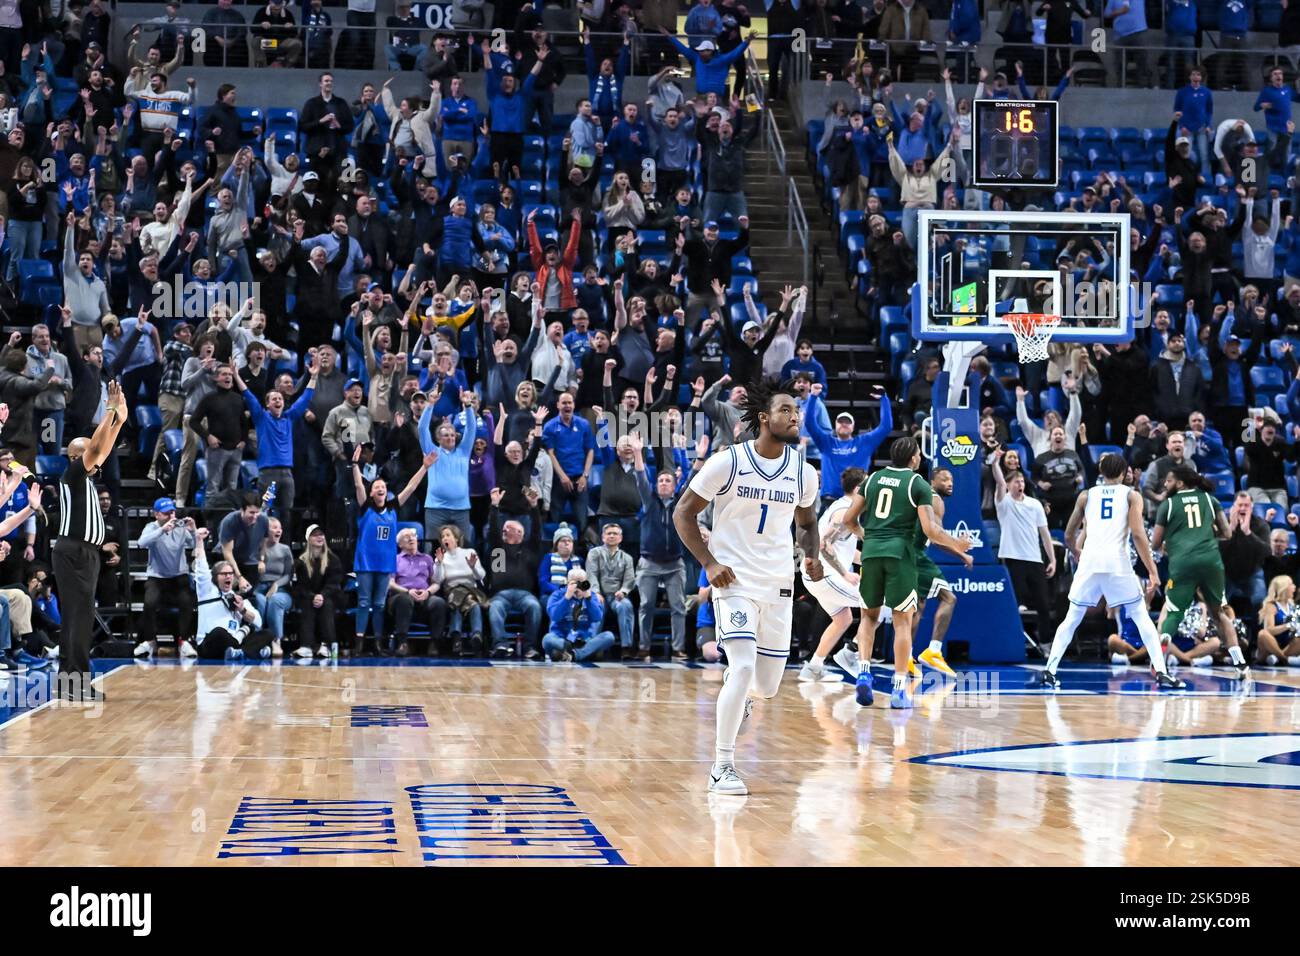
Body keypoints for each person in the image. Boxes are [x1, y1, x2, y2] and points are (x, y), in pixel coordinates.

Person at [673, 377, 824, 796]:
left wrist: (810, 556)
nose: (795, 417)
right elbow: (683, 513)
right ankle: (722, 766)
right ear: (763, 418)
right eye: (785, 411)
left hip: (778, 583)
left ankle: (744, 698)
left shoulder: (803, 472)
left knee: (767, 685)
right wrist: (709, 562)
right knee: (739, 667)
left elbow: (807, 522)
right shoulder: (729, 461)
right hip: (734, 580)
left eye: (797, 411)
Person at [835, 437, 973, 710]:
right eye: (919, 454)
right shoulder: (918, 484)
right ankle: (899, 689)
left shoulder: (872, 479)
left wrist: (870, 537)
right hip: (901, 555)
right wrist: (958, 544)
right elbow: (931, 530)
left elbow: (848, 520)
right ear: (913, 458)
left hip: (872, 553)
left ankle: (864, 671)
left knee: (869, 618)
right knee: (901, 622)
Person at [1040, 453, 1185, 690]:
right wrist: (1152, 570)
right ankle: (1161, 672)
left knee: (1072, 618)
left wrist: (1077, 553)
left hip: (1089, 562)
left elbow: (1068, 534)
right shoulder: (1131, 495)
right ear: (1123, 472)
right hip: (1116, 563)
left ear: (1100, 471)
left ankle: (1049, 671)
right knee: (1140, 616)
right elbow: (1138, 534)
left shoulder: (1086, 495)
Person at [53, 379, 128, 701]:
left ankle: (69, 681)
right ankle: (74, 684)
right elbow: (97, 448)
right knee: (78, 619)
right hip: (73, 553)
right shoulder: (72, 473)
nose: (96, 462)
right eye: (88, 456)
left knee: (79, 617)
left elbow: (102, 448)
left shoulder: (85, 476)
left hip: (86, 553)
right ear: (75, 456)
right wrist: (109, 411)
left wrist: (119, 421)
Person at [1151, 465, 1251, 678]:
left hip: (1183, 562)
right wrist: (1206, 535)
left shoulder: (1167, 505)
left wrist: (1171, 543)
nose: (1165, 485)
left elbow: (1155, 543)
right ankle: (1240, 663)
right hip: (1210, 561)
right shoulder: (1209, 499)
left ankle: (1163, 647)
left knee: (1174, 611)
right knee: (1219, 613)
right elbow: (1227, 533)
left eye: (1168, 481)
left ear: (1179, 483)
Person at [351, 445, 438, 656]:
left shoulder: (392, 508)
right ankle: (359, 644)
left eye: (383, 486)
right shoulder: (366, 508)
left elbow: (410, 487)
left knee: (379, 605)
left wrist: (424, 468)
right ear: (372, 492)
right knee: (364, 603)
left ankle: (379, 644)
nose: (380, 489)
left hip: (385, 564)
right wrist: (355, 465)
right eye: (376, 487)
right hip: (365, 564)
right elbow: (358, 486)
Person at [797, 467, 878, 683]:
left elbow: (849, 553)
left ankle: (813, 668)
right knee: (880, 606)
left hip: (821, 575)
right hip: (823, 575)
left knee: (843, 619)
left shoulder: (846, 508)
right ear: (860, 488)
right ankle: (849, 652)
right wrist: (845, 574)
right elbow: (823, 545)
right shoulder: (843, 513)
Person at [991, 449, 1057, 646]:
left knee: (1044, 605)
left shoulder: (1035, 504)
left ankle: (1045, 643)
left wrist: (1052, 559)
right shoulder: (1004, 503)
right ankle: (1013, 642)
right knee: (1014, 604)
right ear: (1009, 485)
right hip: (1012, 558)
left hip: (1035, 559)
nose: (1019, 484)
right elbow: (999, 482)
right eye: (1015, 482)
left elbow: (1044, 534)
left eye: (1021, 481)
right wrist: (995, 462)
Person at [190, 528, 274, 660]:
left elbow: (258, 621)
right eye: (224, 574)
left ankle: (238, 652)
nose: (228, 576)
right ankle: (248, 651)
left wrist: (243, 610)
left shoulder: (238, 599)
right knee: (219, 632)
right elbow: (201, 568)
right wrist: (199, 540)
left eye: (230, 574)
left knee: (268, 633)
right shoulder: (207, 591)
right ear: (216, 577)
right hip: (210, 644)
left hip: (230, 645)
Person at [134, 497, 197, 658]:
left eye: (172, 512)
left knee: (186, 601)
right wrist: (162, 530)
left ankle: (183, 641)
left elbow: (194, 545)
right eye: (166, 513)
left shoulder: (180, 527)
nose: (171, 516)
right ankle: (150, 641)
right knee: (149, 602)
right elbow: (141, 543)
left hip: (179, 575)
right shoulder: (151, 527)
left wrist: (192, 530)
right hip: (157, 576)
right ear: (157, 515)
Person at [387, 527, 449, 657]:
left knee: (438, 602)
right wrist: (407, 591)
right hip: (401, 596)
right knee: (404, 600)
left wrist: (428, 592)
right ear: (399, 544)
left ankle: (434, 643)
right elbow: (390, 583)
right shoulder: (395, 559)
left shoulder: (427, 558)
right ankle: (402, 643)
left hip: (424, 597)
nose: (411, 538)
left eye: (413, 536)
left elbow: (436, 582)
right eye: (406, 536)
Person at [585, 522, 637, 660]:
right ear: (603, 537)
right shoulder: (594, 553)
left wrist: (624, 591)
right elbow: (591, 575)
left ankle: (626, 647)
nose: (612, 536)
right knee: (596, 604)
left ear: (620, 538)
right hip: (599, 593)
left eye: (615, 533)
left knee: (625, 605)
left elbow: (630, 579)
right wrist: (596, 592)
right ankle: (592, 647)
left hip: (617, 595)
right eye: (609, 533)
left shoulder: (627, 558)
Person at [542, 568, 617, 662]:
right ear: (567, 582)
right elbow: (555, 616)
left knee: (609, 636)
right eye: (575, 583)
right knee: (547, 639)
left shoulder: (591, 596)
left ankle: (574, 655)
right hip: (562, 639)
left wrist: (588, 599)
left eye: (581, 583)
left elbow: (597, 617)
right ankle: (583, 653)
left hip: (584, 641)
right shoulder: (557, 595)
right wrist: (567, 597)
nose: (578, 586)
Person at [293, 524, 345, 657]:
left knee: (326, 604)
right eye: (315, 535)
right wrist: (313, 596)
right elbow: (300, 585)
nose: (319, 537)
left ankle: (327, 645)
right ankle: (306, 646)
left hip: (330, 595)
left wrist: (322, 595)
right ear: (308, 539)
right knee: (307, 603)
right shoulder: (301, 561)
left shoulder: (333, 559)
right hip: (308, 596)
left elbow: (335, 583)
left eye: (321, 534)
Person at [1255, 575, 1300, 664]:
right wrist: (1288, 626)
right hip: (1269, 647)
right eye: (1291, 584)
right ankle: (1285, 659)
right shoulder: (1271, 606)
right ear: (1283, 588)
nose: (1294, 587)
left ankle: (1277, 658)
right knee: (1262, 634)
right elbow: (1269, 630)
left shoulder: (1292, 606)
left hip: (1287, 645)